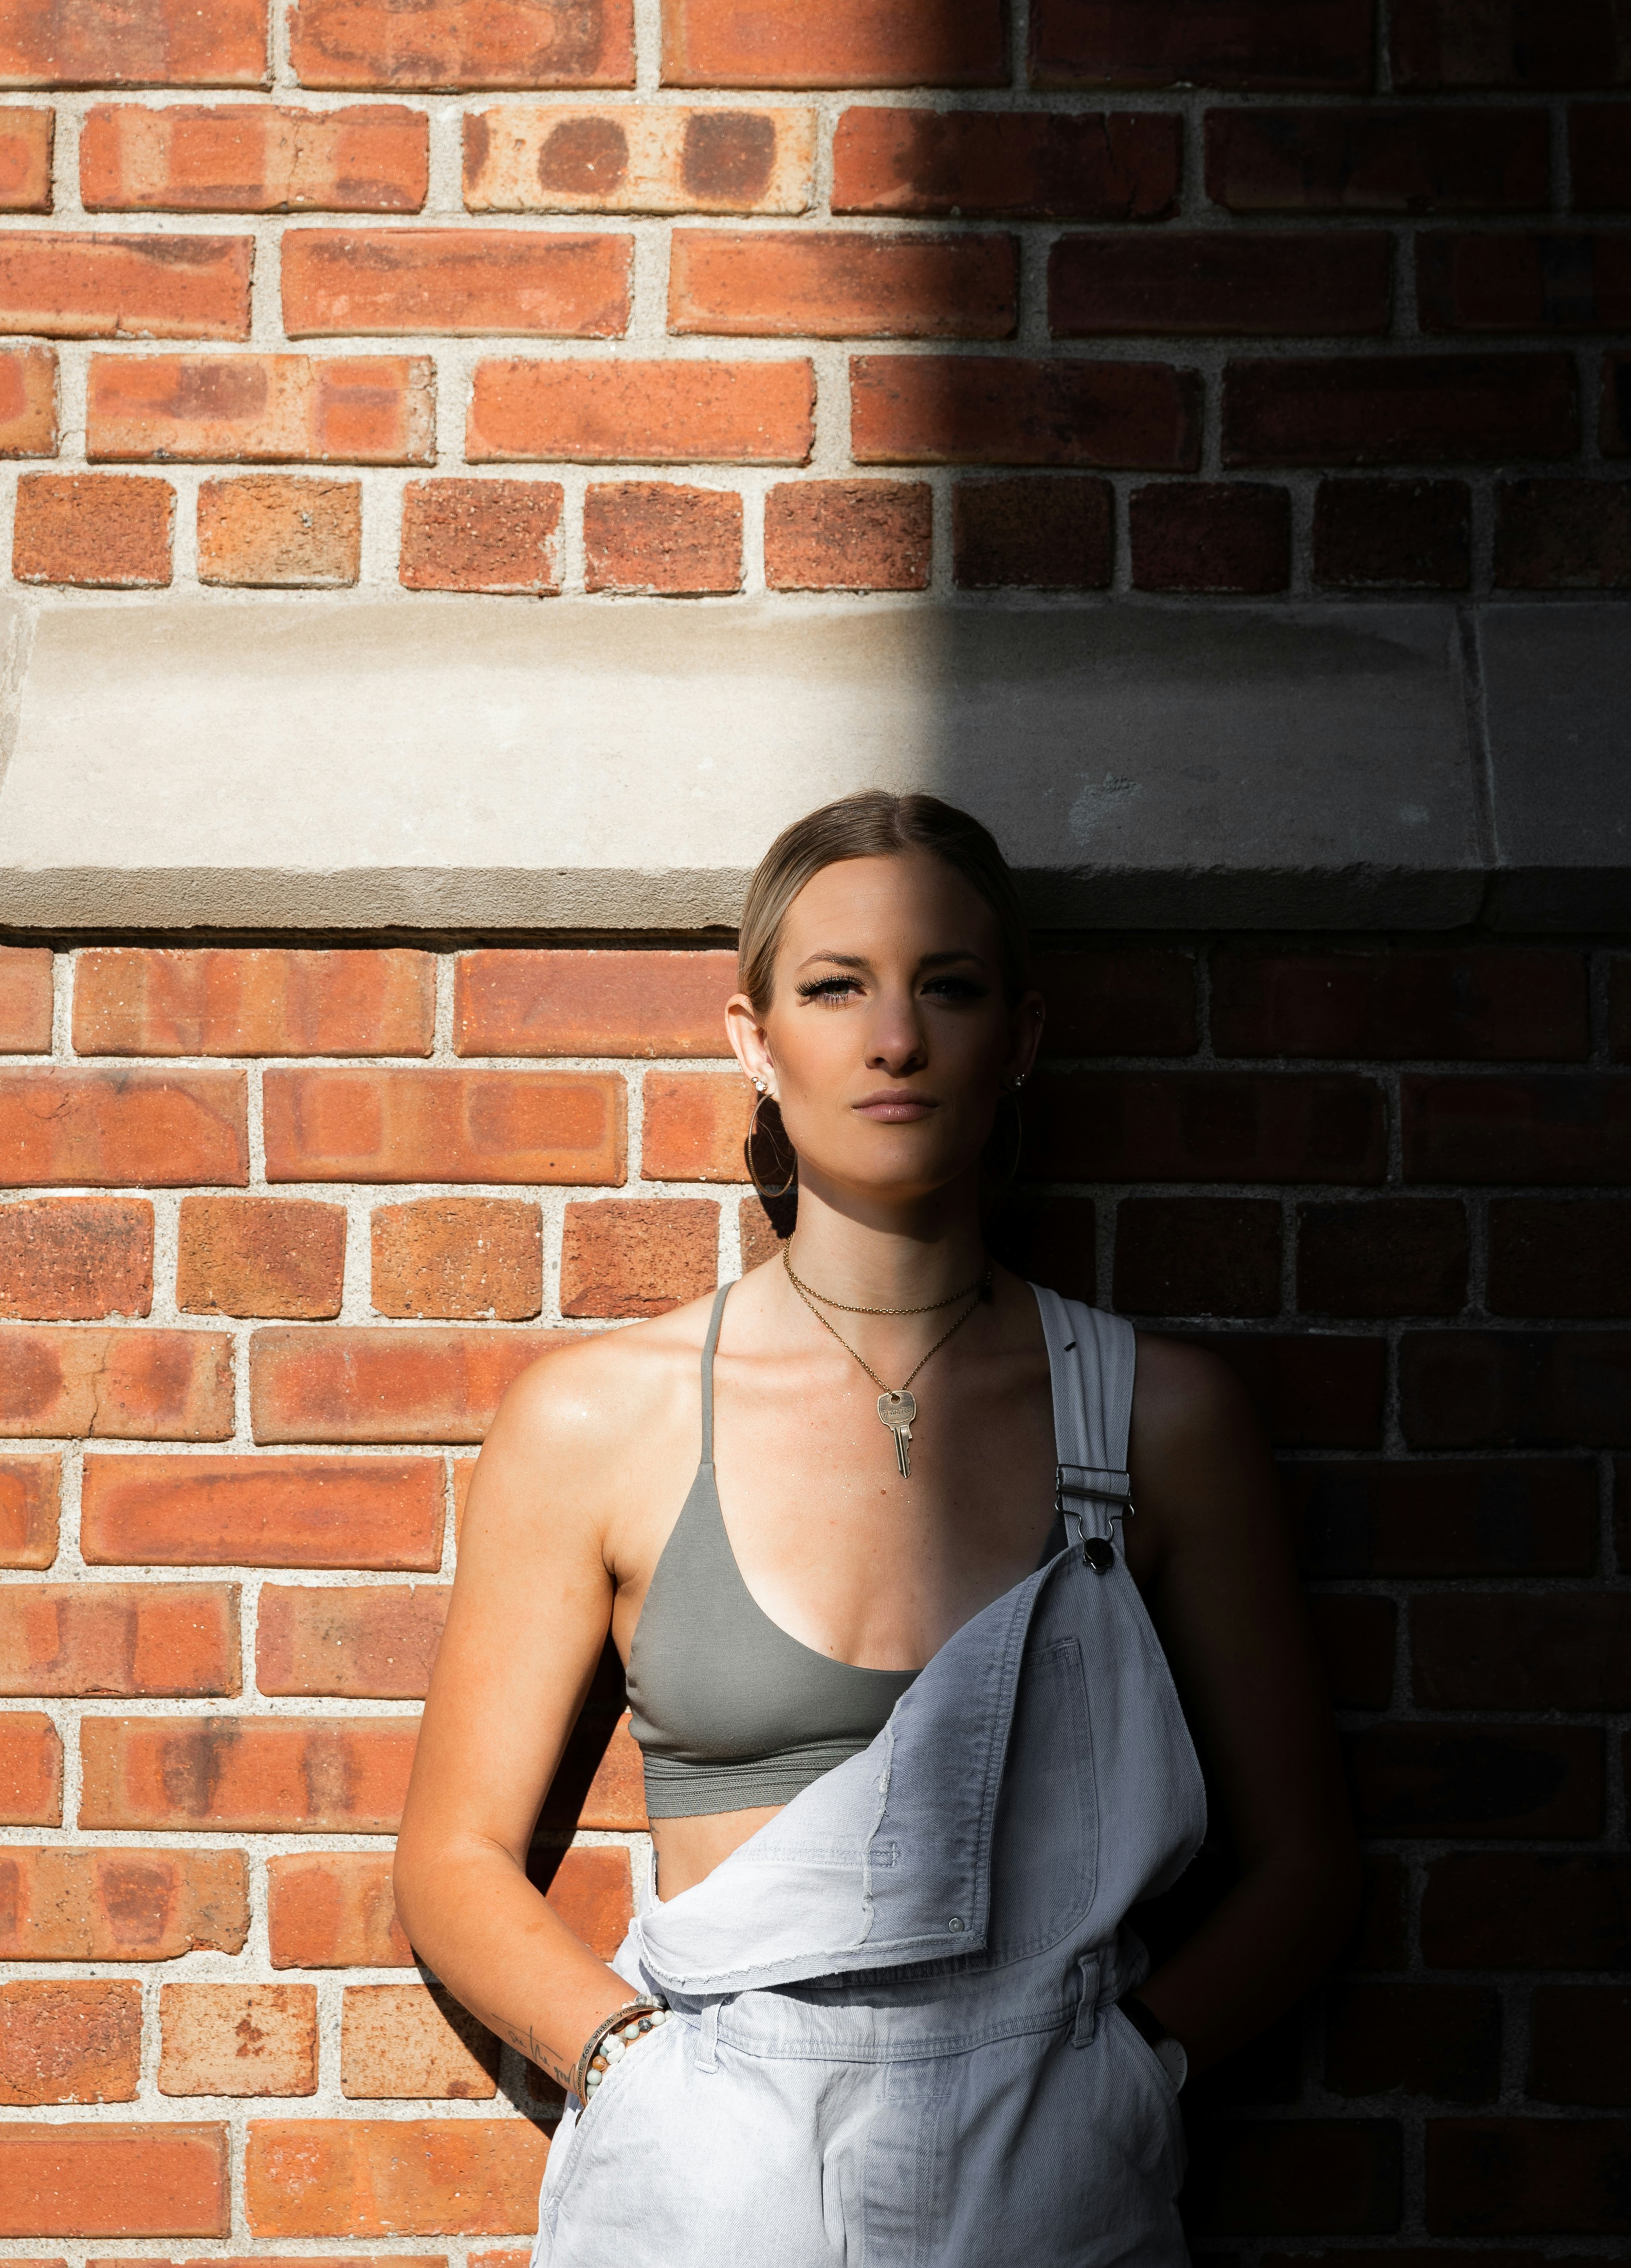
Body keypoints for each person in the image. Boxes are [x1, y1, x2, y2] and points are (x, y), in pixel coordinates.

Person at [392, 790, 1359, 2267]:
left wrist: (1127, 2073)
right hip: (712, 2149)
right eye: (834, 986)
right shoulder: (602, 1417)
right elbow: (453, 1852)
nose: (893, 1037)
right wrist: (631, 2068)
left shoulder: (1160, 1418)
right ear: (752, 1039)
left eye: (947, 988)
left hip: (1048, 2144)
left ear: (1019, 1038)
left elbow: (1301, 1859)